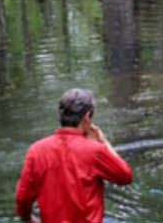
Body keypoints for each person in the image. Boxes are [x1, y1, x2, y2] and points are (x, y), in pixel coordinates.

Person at [15, 88, 134, 223]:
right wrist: (103, 141)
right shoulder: (95, 150)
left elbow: (22, 199)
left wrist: (28, 218)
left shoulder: (36, 150)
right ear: (87, 117)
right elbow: (125, 176)